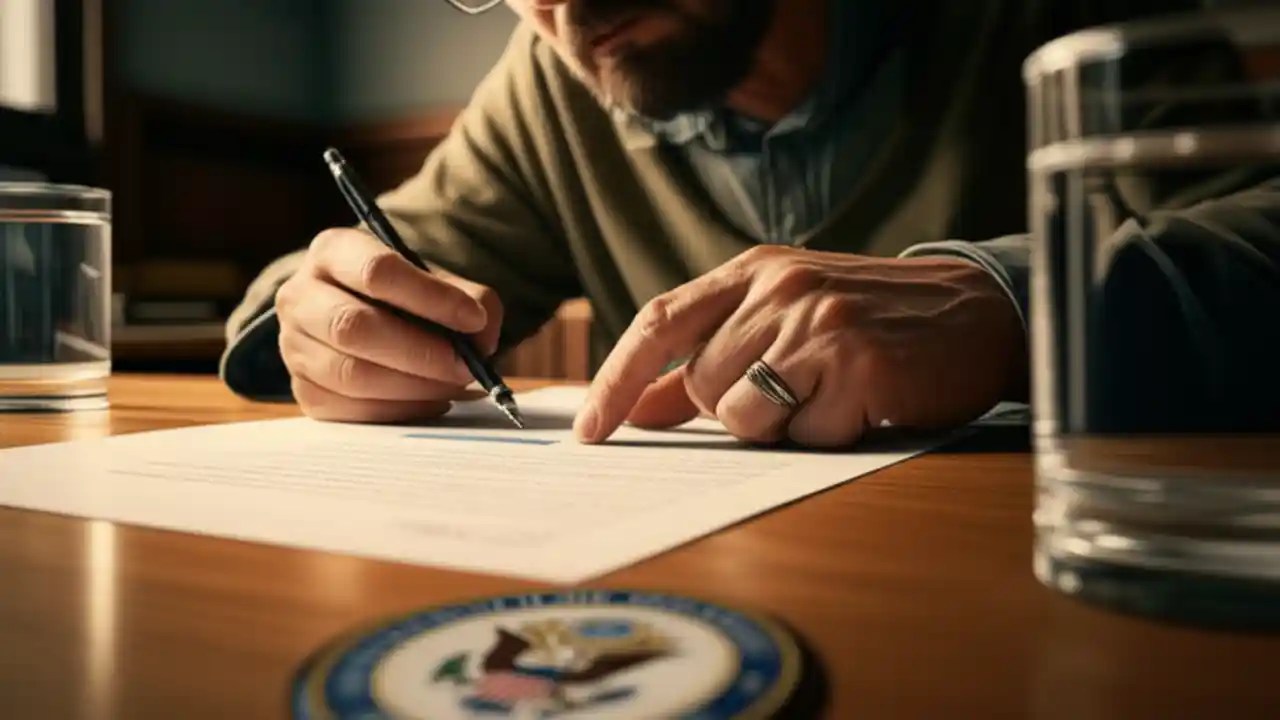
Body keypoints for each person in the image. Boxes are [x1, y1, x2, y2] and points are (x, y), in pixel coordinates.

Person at [219, 0, 1277, 447]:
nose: (563, 10)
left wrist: (1009, 305)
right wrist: (319, 316)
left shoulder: (1038, 18)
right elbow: (354, 273)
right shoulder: (548, 88)